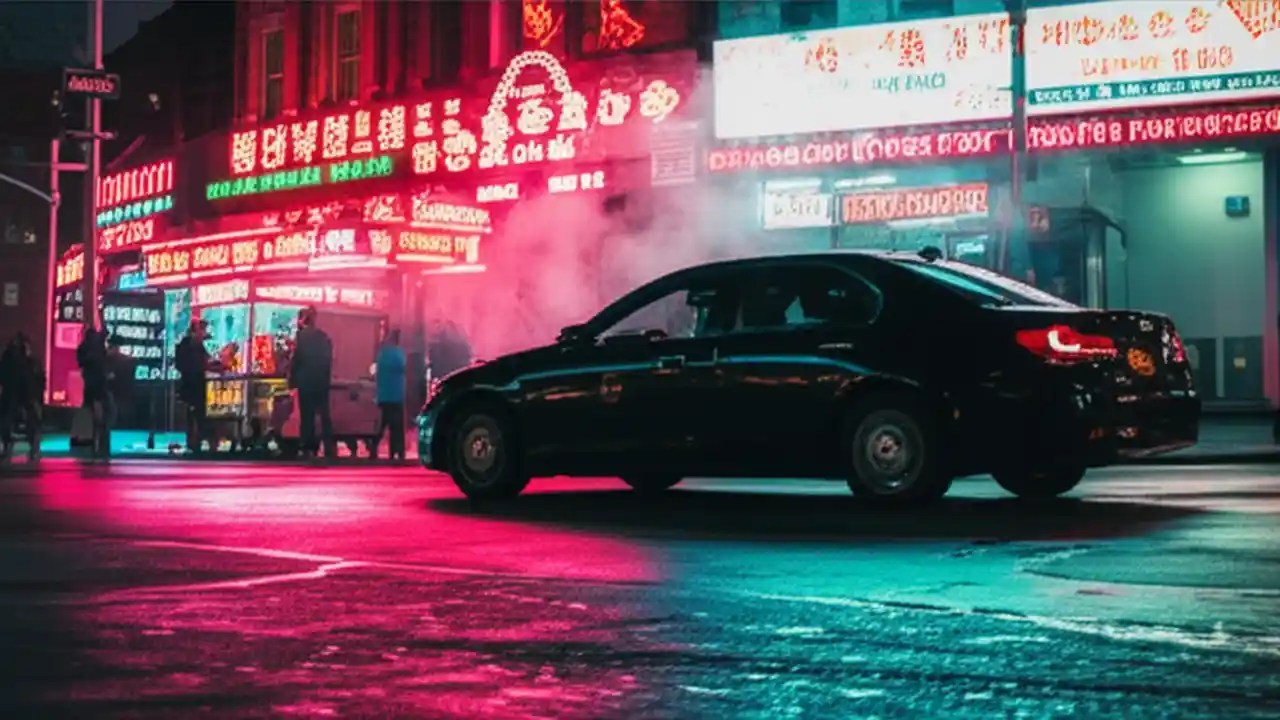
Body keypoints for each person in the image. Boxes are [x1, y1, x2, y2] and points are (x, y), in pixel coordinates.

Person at [289, 306, 335, 460]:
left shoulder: (302, 337)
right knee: (324, 415)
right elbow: (329, 360)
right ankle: (329, 447)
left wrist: (292, 381)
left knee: (307, 416)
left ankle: (308, 446)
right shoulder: (324, 337)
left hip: (306, 382)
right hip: (321, 382)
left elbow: (297, 360)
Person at [0, 333, 44, 462]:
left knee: (7, 419)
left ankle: (8, 445)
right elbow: (35, 379)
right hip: (24, 393)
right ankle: (33, 448)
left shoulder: (8, 359)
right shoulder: (28, 362)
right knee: (32, 421)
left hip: (12, 393)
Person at [175, 319, 212, 453]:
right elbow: (202, 364)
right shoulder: (192, 345)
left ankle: (194, 440)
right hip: (193, 383)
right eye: (202, 330)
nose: (204, 334)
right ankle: (195, 440)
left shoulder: (190, 345)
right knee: (196, 413)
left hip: (191, 383)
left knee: (194, 413)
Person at [76, 326, 111, 460]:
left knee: (91, 415)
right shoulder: (98, 349)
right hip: (98, 385)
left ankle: (89, 444)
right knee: (103, 416)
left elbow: (81, 362)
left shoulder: (84, 349)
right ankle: (101, 445)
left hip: (90, 384)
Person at [373, 328, 407, 461]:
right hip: (396, 395)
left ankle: (373, 447)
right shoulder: (399, 354)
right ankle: (396, 452)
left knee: (383, 424)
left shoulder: (382, 354)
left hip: (383, 395)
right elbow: (403, 368)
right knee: (397, 426)